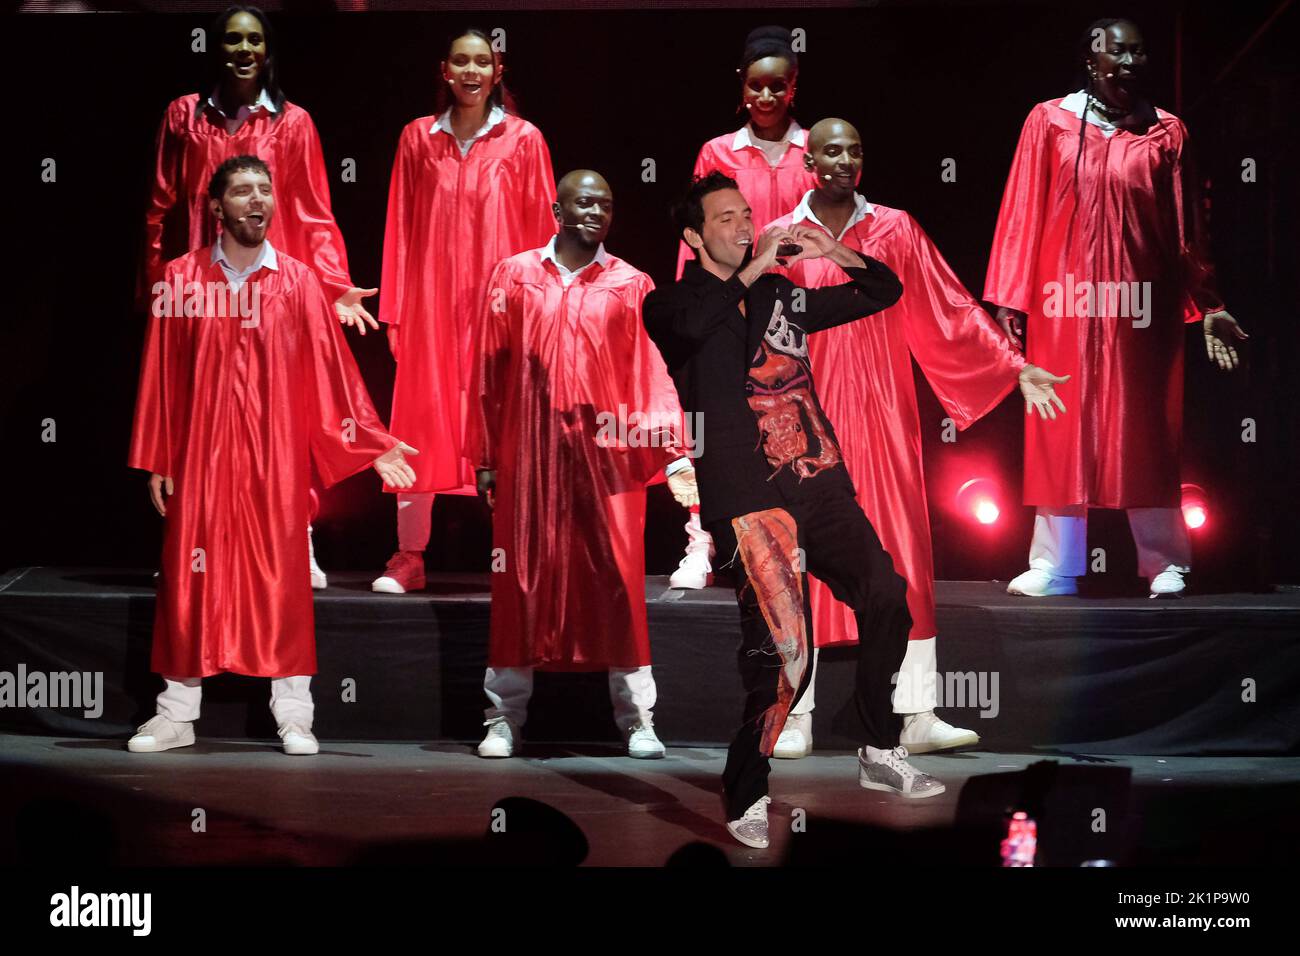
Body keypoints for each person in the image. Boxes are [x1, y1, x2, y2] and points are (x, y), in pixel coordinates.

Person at [644, 171, 946, 850]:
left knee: (886, 596)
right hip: (747, 499)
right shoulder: (672, 303)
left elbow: (883, 292)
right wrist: (755, 267)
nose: (745, 223)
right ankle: (747, 786)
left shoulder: (785, 293)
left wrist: (832, 252)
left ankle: (877, 744)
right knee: (785, 655)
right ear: (693, 236)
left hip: (816, 476)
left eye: (746, 213)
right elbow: (698, 323)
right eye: (725, 218)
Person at [764, 118, 1069, 758]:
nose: (845, 159)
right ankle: (794, 713)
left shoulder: (894, 229)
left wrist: (1012, 366)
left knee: (902, 553)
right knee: (802, 557)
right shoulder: (781, 239)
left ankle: (918, 713)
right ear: (809, 160)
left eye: (855, 149)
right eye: (831, 150)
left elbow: (948, 306)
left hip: (883, 410)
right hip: (807, 413)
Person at [127, 156, 417, 756]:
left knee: (282, 578)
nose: (257, 200)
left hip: (274, 455)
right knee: (189, 578)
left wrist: (370, 442)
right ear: (216, 207)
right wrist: (159, 454)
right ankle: (177, 712)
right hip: (201, 453)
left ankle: (294, 715)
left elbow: (328, 374)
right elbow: (161, 375)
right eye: (243, 191)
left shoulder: (298, 281)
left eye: (265, 190)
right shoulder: (180, 280)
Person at [985, 18, 1246, 599]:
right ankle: (1056, 565)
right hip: (1063, 302)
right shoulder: (1048, 121)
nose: (1133, 60)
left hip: (1142, 307)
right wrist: (1010, 299)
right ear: (1090, 59)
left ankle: (1163, 562)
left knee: (1145, 426)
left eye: (1140, 50)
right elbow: (1022, 210)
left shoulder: (1166, 131)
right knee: (1060, 424)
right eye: (1119, 50)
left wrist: (1208, 303)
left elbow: (1186, 229)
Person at [142, 4, 379, 590]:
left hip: (273, 292)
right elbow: (160, 206)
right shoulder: (183, 116)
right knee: (200, 413)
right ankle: (191, 542)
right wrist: (158, 292)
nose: (243, 50)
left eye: (254, 41)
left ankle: (295, 541)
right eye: (231, 40)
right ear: (215, 48)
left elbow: (312, 212)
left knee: (281, 415)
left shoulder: (292, 123)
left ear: (267, 51)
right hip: (202, 291)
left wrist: (333, 285)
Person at [469, 171, 691, 759]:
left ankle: (639, 717)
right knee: (519, 583)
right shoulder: (513, 276)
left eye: (606, 204)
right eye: (584, 202)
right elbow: (489, 370)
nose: (595, 212)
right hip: (529, 453)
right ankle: (502, 718)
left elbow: (652, 373)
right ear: (557, 207)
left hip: (607, 458)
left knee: (617, 583)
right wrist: (486, 455)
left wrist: (672, 453)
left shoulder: (631, 284)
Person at [374, 27, 557, 594]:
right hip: (430, 306)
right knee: (420, 424)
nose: (472, 71)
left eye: (483, 62)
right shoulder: (416, 139)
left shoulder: (524, 140)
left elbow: (544, 233)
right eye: (462, 61)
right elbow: (399, 227)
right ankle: (409, 554)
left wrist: (541, 310)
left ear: (497, 72)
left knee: (504, 424)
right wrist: (397, 311)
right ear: (445, 71)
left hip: (500, 307)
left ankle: (515, 555)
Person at [668, 25, 817, 590]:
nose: (767, 97)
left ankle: (796, 551)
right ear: (742, 86)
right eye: (757, 85)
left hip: (795, 313)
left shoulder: (815, 150)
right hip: (731, 309)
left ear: (793, 86)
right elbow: (698, 234)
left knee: (790, 429)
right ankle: (701, 545)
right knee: (716, 427)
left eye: (778, 85)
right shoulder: (718, 153)